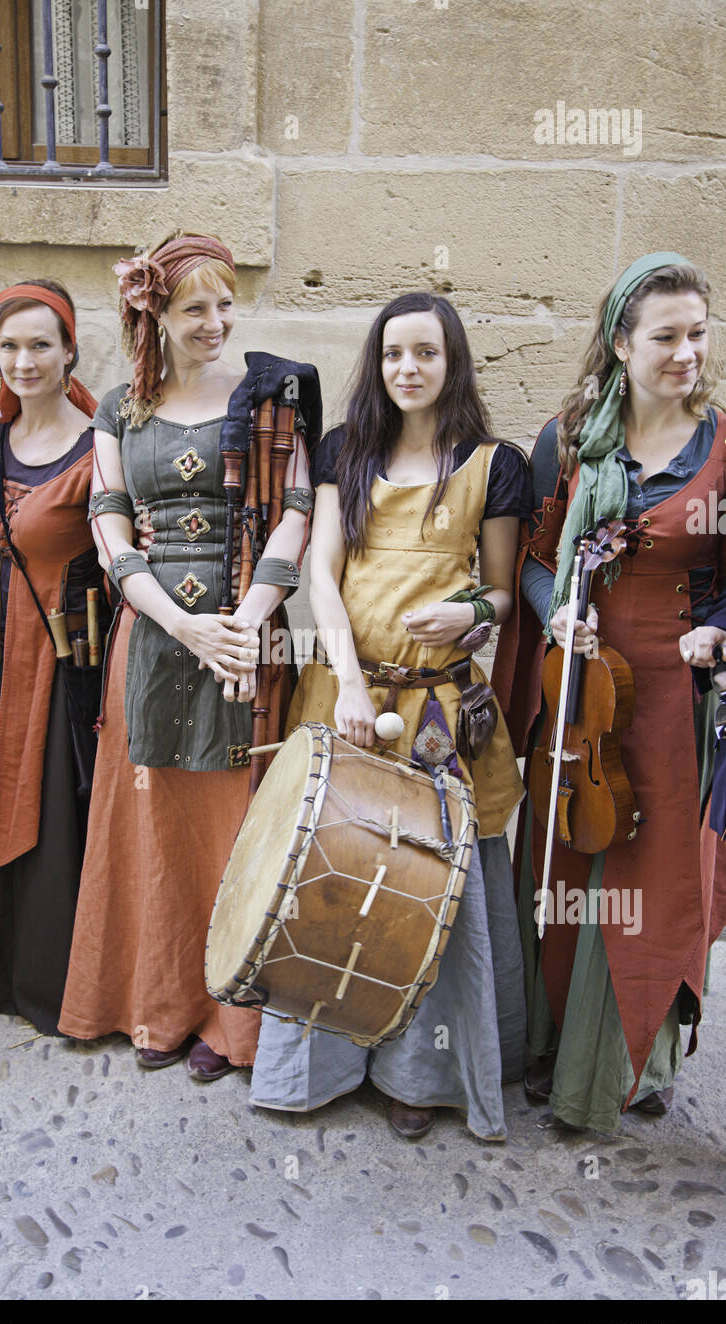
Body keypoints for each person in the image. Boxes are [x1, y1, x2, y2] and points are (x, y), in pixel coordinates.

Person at [249, 291, 529, 1140]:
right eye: (394, 354)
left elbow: (504, 593)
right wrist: (352, 690)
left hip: (441, 711)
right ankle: (317, 1068)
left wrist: (471, 615)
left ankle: (424, 1071)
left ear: (453, 363)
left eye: (427, 354)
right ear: (377, 364)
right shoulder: (346, 451)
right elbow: (324, 577)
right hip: (347, 695)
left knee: (429, 888)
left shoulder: (495, 463)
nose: (409, 369)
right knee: (336, 880)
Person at [58, 231, 318, 1080]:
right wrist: (183, 624)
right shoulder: (116, 410)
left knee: (236, 829)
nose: (216, 322)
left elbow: (295, 509)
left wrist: (243, 620)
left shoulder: (271, 395)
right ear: (156, 314)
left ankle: (232, 1024)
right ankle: (158, 1007)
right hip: (157, 638)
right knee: (155, 830)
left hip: (247, 632)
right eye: (194, 307)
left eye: (225, 304)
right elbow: (111, 523)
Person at [492, 252, 726, 1133]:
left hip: (674, 700)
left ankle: (635, 1062)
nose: (686, 353)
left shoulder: (724, 447)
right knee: (573, 868)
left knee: (656, 877)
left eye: (698, 334)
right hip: (583, 694)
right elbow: (538, 564)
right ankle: (556, 1049)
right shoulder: (570, 437)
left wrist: (716, 630)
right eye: (665, 336)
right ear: (621, 343)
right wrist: (557, 618)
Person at [0, 280, 106, 1035]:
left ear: (70, 351)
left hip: (61, 664)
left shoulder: (100, 446)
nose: (23, 360)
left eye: (41, 344)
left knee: (48, 810)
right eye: (8, 346)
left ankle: (50, 983)